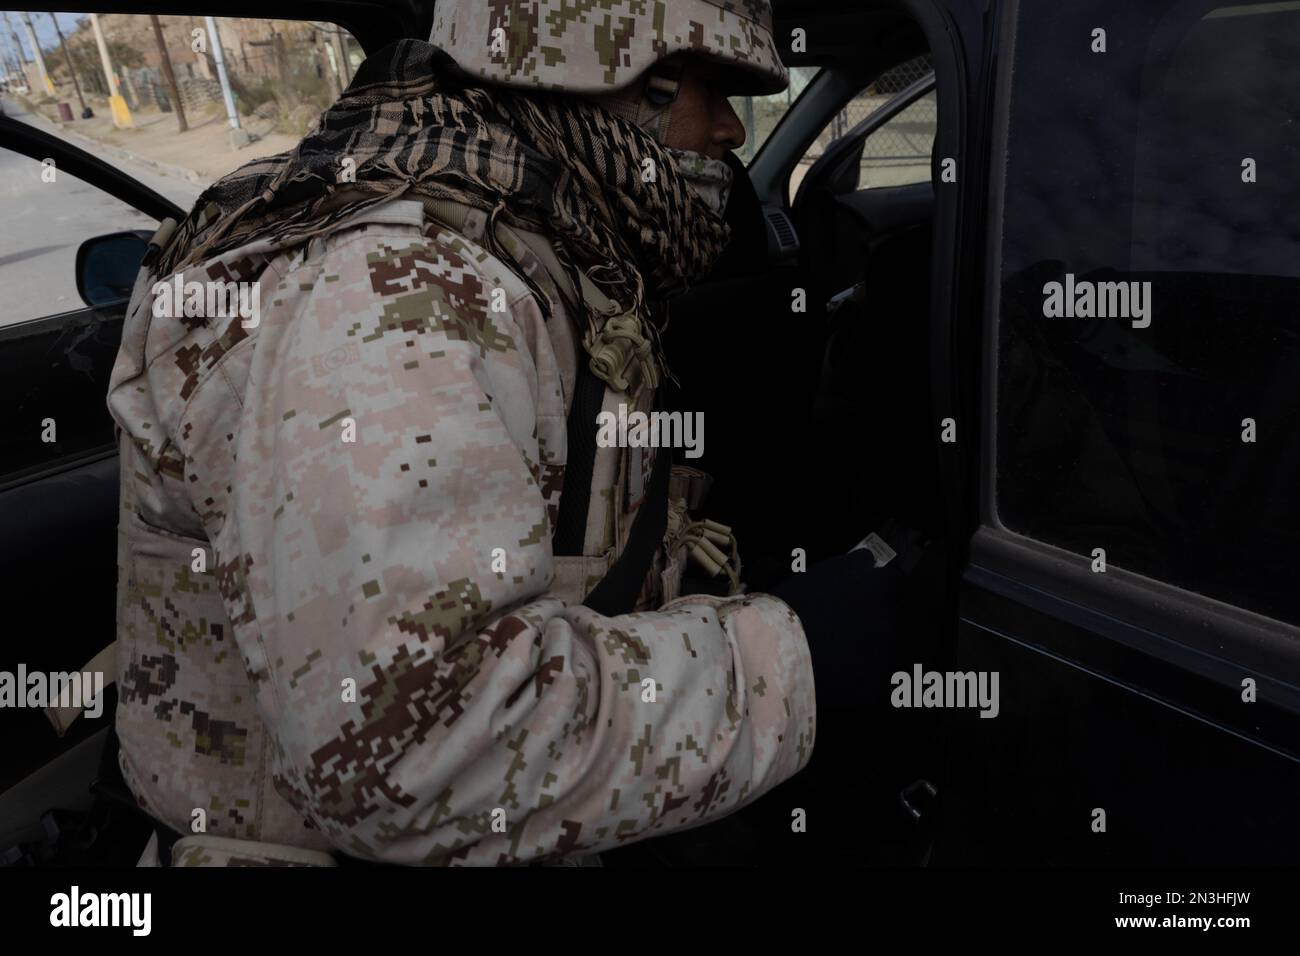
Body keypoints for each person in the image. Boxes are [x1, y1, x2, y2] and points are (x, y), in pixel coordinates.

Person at [105, 0, 852, 867]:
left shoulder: (527, 251)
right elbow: (417, 749)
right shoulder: (393, 288)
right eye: (710, 85)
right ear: (610, 75)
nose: (729, 128)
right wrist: (794, 666)